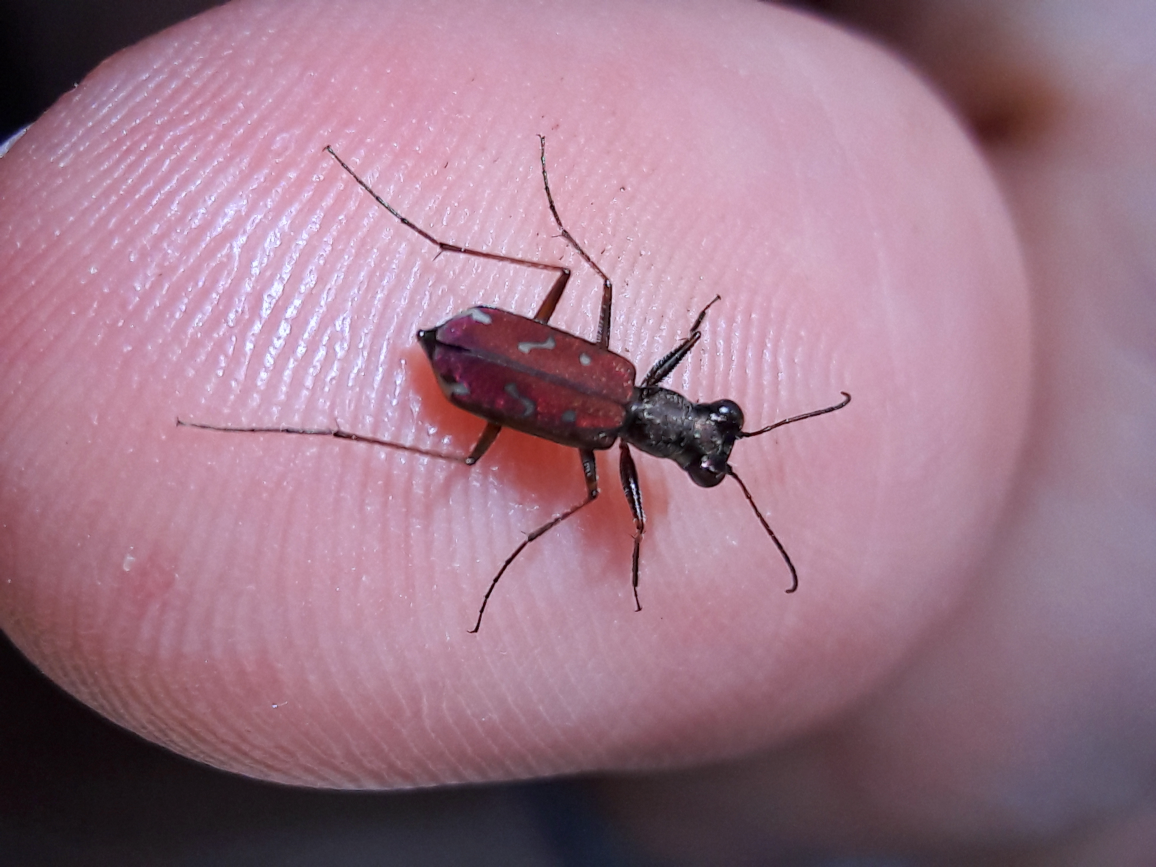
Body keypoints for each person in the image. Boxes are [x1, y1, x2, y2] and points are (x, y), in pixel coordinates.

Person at [0, 0, 1152, 862]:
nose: (705, 432)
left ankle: (327, 392)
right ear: (685, 401)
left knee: (559, 304)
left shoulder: (616, 407)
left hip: (513, 368)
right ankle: (384, 254)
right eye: (713, 426)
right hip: (491, 361)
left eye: (701, 445)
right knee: (542, 331)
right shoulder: (613, 453)